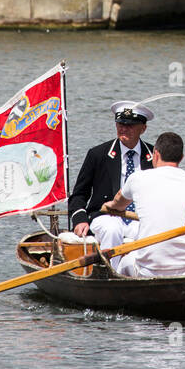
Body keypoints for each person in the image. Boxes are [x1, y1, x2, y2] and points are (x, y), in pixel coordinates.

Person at [99, 131, 185, 277]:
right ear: (181, 158)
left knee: (125, 261)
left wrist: (110, 206)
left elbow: (118, 204)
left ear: (156, 154)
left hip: (149, 271)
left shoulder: (137, 178)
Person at [68, 99, 157, 258]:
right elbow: (79, 195)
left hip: (141, 218)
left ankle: (144, 274)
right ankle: (112, 274)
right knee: (112, 229)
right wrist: (80, 220)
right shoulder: (98, 154)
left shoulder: (155, 155)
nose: (124, 129)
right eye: (120, 124)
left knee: (149, 232)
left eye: (129, 125)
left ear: (143, 128)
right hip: (105, 216)